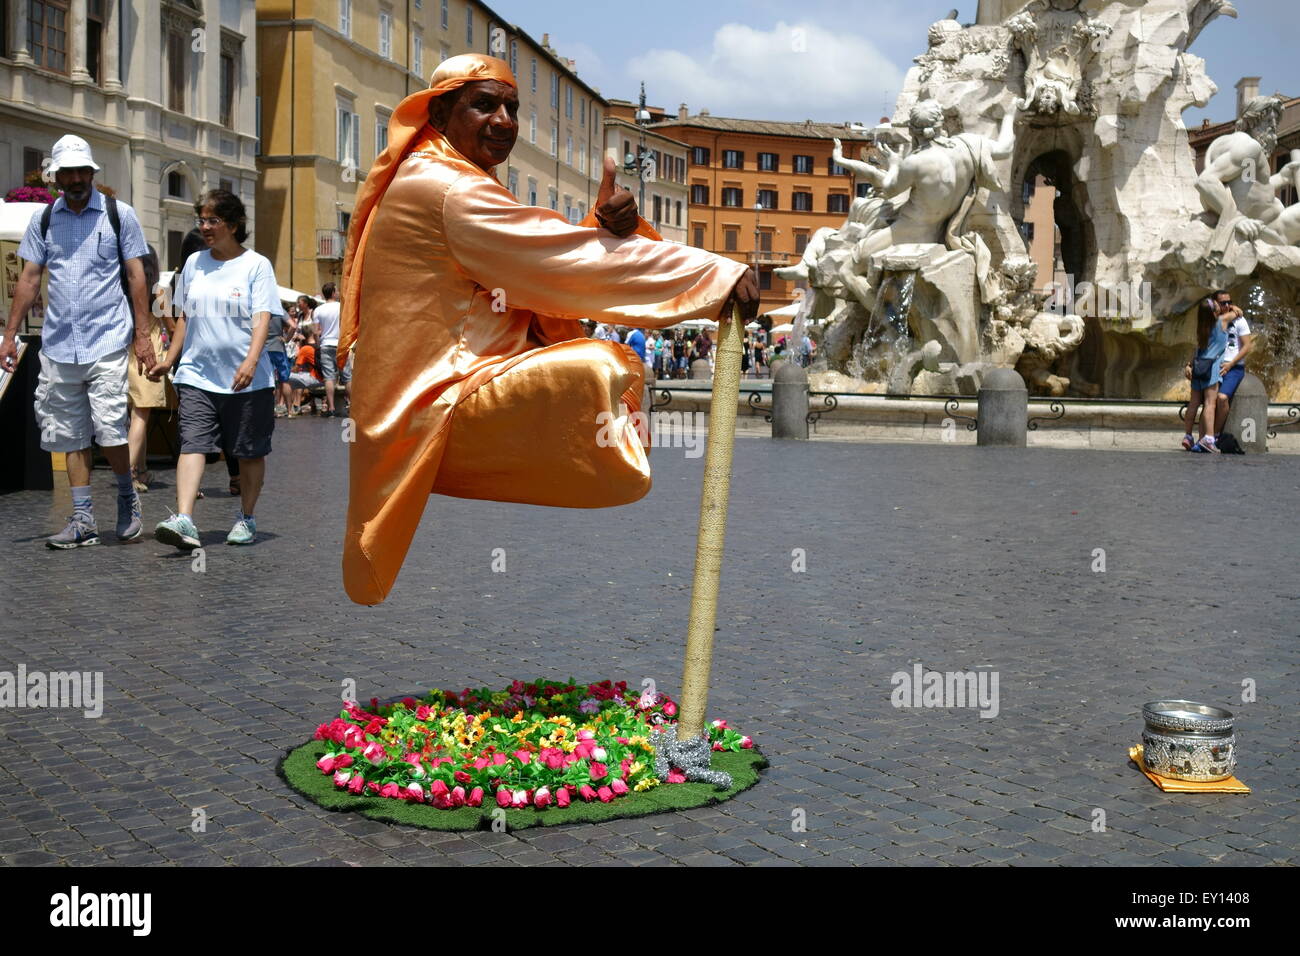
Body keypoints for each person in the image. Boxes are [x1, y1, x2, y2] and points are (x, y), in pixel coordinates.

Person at [337, 53, 758, 604]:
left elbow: (539, 266)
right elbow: (558, 266)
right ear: (439, 114)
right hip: (438, 408)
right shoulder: (448, 188)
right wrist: (715, 275)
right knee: (608, 367)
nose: (504, 121)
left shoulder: (440, 176)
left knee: (607, 370)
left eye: (511, 107)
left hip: (431, 398)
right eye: (484, 105)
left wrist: (605, 230)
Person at [0, 134, 154, 548]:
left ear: (92, 173)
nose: (75, 179)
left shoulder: (119, 215)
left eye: (81, 171)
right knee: (68, 434)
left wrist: (143, 336)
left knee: (110, 430)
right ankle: (84, 518)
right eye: (67, 173)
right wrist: (10, 335)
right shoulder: (44, 220)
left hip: (106, 339)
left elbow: (137, 275)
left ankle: (126, 496)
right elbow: (30, 279)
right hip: (59, 344)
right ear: (57, 178)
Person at [148, 188, 280, 548]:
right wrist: (170, 360)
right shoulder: (194, 264)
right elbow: (185, 318)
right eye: (201, 220)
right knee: (192, 444)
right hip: (196, 374)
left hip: (246, 380)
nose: (205, 227)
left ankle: (247, 517)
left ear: (234, 225)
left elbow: (262, 318)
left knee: (249, 452)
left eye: (212, 220)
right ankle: (185, 519)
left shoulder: (256, 265)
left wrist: (252, 360)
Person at [127, 247, 168, 492]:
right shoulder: (159, 292)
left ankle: (140, 470)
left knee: (133, 415)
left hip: (125, 353)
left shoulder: (125, 288)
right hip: (148, 355)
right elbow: (173, 324)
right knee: (140, 416)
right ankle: (130, 473)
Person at [1181, 296, 1230, 453]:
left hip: (1198, 367)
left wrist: (1189, 364)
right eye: (1218, 304)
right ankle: (1208, 439)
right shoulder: (1221, 322)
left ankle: (1188, 436)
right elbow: (1236, 313)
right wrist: (1235, 308)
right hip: (1211, 369)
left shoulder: (1202, 327)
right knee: (1210, 403)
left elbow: (1198, 349)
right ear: (1215, 310)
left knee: (1194, 403)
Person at [313, 283, 347, 417]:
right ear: (333, 293)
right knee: (348, 376)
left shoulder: (318, 310)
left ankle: (331, 408)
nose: (338, 292)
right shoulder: (341, 308)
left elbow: (316, 331)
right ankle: (353, 405)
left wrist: (317, 344)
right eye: (337, 291)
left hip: (325, 345)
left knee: (328, 377)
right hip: (341, 345)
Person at [287, 322, 322, 414]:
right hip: (325, 378)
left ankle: (289, 407)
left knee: (285, 377)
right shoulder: (320, 345)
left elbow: (296, 368)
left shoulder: (305, 349)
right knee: (299, 378)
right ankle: (296, 405)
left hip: (316, 379)